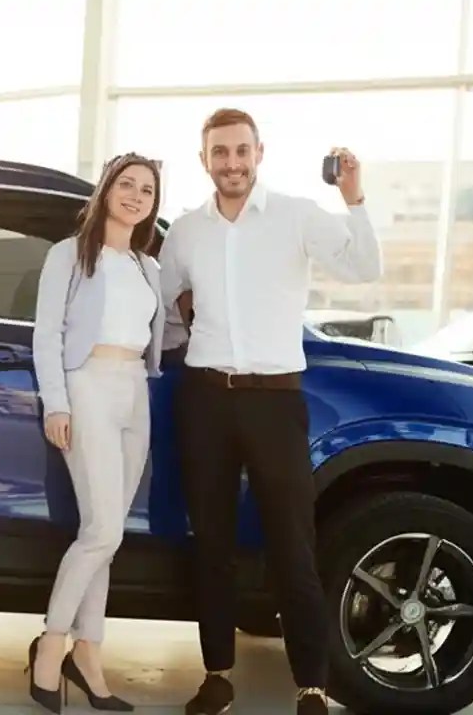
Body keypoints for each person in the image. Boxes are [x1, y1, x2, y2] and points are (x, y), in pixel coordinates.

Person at [157, 108, 382, 715]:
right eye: (220, 152)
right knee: (212, 544)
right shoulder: (185, 232)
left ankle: (311, 685)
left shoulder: (296, 216)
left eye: (240, 150)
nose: (231, 162)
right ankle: (217, 676)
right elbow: (167, 308)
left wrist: (353, 197)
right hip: (205, 398)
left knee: (292, 544)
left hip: (277, 400)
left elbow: (364, 268)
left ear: (260, 152)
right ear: (204, 159)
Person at [26, 152, 168, 713]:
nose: (136, 196)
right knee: (102, 531)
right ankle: (51, 644)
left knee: (108, 535)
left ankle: (90, 652)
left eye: (148, 191)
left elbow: (159, 332)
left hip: (135, 389)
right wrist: (55, 403)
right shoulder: (70, 255)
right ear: (107, 189)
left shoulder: (147, 267)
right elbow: (47, 332)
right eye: (127, 184)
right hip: (87, 385)